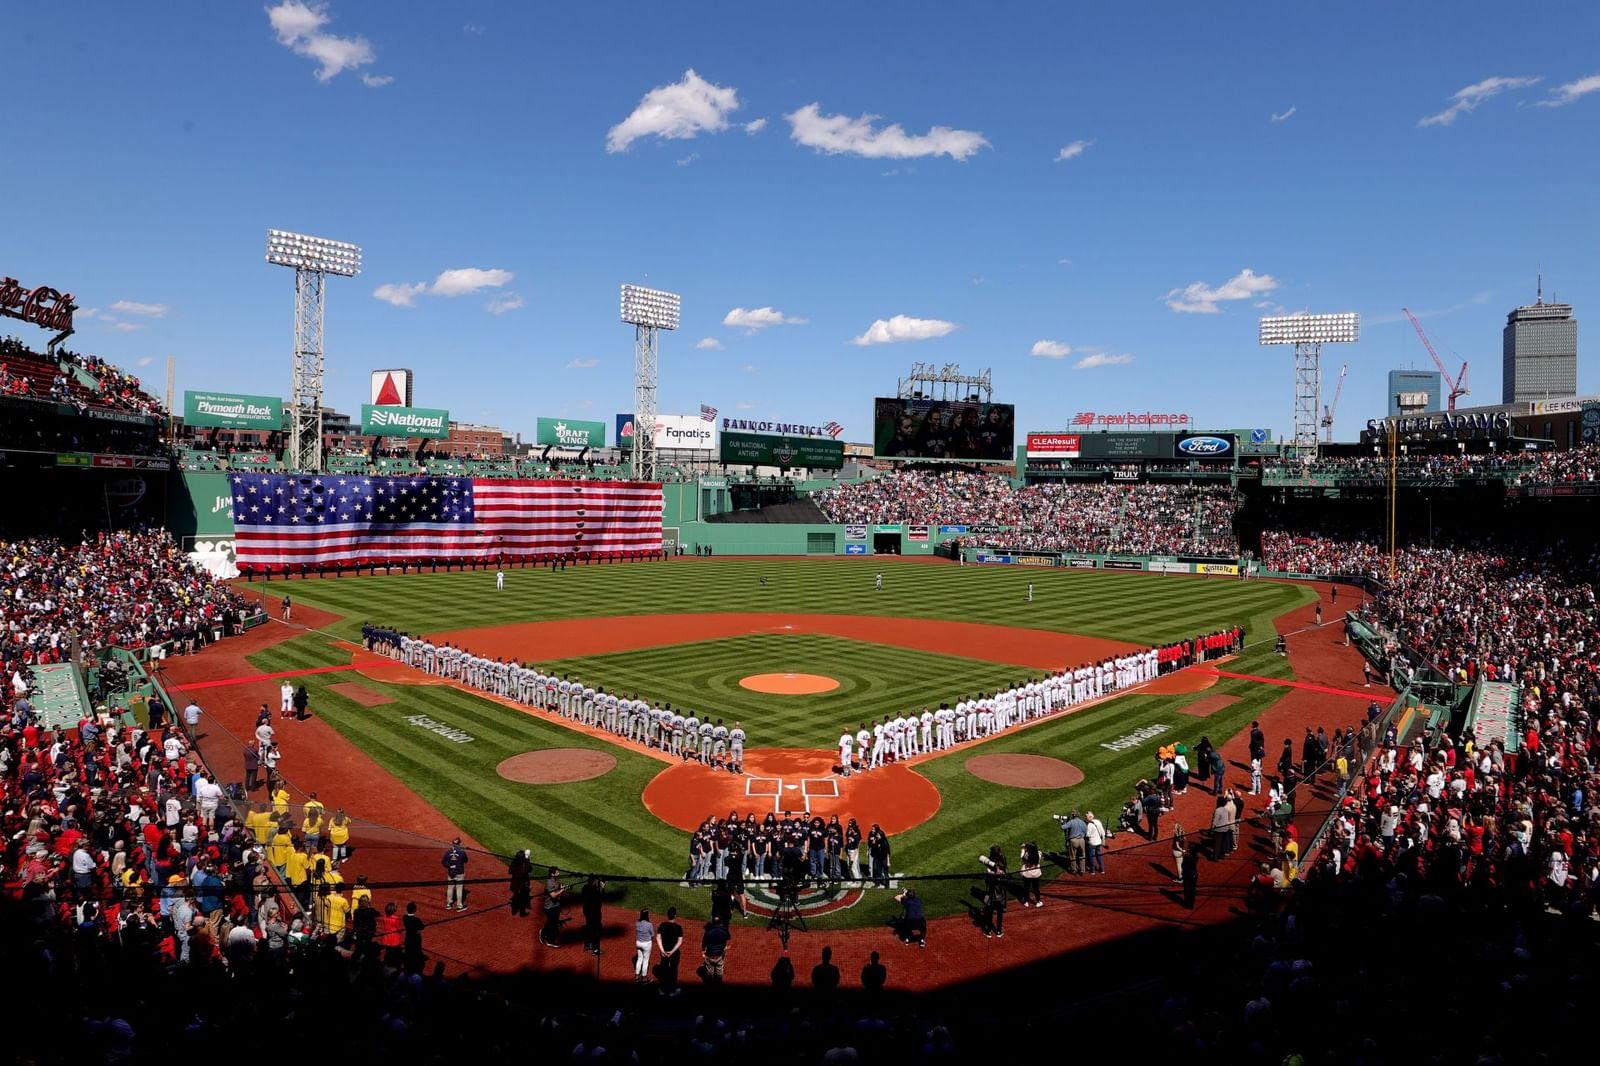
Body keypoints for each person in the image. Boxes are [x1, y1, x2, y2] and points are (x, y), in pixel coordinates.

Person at [654, 907, 683, 995]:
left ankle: (662, 989)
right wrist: (672, 951)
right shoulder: (678, 927)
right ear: (675, 915)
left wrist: (662, 950)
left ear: (667, 915)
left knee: (664, 969)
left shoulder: (662, 925)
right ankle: (672, 991)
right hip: (674, 953)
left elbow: (658, 937)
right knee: (674, 970)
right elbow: (680, 941)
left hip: (664, 952)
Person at [541, 867, 567, 947]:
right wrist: (562, 890)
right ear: (552, 874)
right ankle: (550, 941)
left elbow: (557, 893)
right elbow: (553, 895)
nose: (559, 873)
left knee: (552, 921)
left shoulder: (555, 881)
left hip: (556, 905)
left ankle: (544, 932)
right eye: (557, 872)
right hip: (549, 907)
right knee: (553, 923)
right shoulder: (549, 883)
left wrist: (563, 890)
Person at [700, 915, 730, 984]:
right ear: (720, 922)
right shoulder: (724, 930)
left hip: (709, 955)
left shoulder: (708, 932)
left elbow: (704, 942)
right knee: (719, 974)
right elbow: (728, 937)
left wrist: (703, 951)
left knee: (710, 974)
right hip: (719, 955)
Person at [442, 838, 468, 912]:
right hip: (459, 873)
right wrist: (462, 852)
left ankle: (449, 905)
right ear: (459, 844)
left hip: (451, 873)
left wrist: (449, 866)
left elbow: (443, 862)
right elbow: (466, 860)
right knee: (459, 889)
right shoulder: (462, 852)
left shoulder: (448, 852)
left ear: (452, 844)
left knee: (450, 888)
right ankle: (459, 906)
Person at [579, 873, 604, 953]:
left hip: (586, 911)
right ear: (594, 881)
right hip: (595, 912)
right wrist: (602, 889)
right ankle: (595, 948)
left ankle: (587, 944)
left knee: (589, 926)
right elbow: (600, 900)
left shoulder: (584, 888)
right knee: (596, 929)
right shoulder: (595, 890)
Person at [402, 902, 425, 974]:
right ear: (414, 910)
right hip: (415, 939)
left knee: (408, 953)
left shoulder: (404, 917)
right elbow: (422, 926)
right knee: (415, 953)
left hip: (408, 937)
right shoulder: (416, 919)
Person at [633, 909, 654, 982]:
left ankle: (636, 976)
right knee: (645, 960)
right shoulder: (649, 925)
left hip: (638, 943)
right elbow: (652, 935)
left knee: (639, 959)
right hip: (646, 944)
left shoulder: (637, 923)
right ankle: (644, 977)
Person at [508, 851, 532, 917]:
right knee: (523, 898)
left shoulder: (514, 862)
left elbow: (510, 871)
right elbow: (530, 869)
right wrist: (527, 860)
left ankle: (515, 910)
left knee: (517, 896)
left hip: (515, 883)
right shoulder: (524, 864)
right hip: (522, 884)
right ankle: (522, 912)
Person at [1019, 841, 1043, 906]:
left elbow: (1022, 857)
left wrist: (1022, 849)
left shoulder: (1026, 855)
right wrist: (1026, 846)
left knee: (1026, 888)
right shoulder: (1039, 853)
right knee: (1036, 889)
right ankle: (1038, 902)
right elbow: (1036, 850)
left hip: (1027, 874)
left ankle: (1026, 902)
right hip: (1036, 874)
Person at [1181, 842, 1200, 909]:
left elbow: (1183, 866)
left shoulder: (1187, 857)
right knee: (1192, 890)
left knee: (1187, 890)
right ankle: (1191, 904)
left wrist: (1184, 857)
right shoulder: (1196, 857)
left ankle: (1187, 904)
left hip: (1187, 875)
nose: (1188, 849)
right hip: (1194, 874)